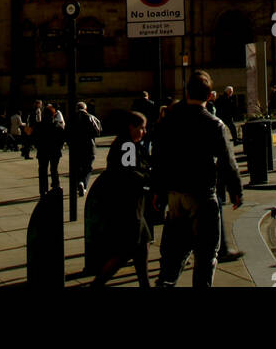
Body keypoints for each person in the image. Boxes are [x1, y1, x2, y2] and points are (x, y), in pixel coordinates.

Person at [153, 70, 243, 288]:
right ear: (210, 96)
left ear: (186, 92)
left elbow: (159, 157)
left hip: (175, 194)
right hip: (202, 194)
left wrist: (158, 190)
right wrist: (236, 191)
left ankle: (166, 283)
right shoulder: (214, 124)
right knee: (205, 254)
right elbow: (227, 161)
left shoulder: (169, 120)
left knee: (174, 252)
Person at [92, 112, 153, 288]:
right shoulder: (127, 145)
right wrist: (149, 182)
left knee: (141, 246)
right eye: (140, 127)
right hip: (128, 205)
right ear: (130, 127)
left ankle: (145, 284)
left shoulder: (131, 144)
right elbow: (129, 174)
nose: (144, 132)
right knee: (127, 251)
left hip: (132, 204)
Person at [67, 101, 101, 196]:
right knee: (88, 167)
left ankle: (79, 182)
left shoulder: (71, 118)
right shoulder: (91, 117)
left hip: (75, 147)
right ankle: (83, 184)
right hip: (89, 146)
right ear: (85, 108)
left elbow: (66, 132)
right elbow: (98, 131)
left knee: (77, 167)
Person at [36, 103, 65, 194]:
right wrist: (59, 147)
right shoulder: (57, 126)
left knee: (42, 170)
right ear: (53, 115)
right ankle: (56, 186)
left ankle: (43, 189)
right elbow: (62, 139)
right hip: (54, 151)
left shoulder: (39, 126)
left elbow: (35, 138)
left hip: (42, 151)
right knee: (54, 169)